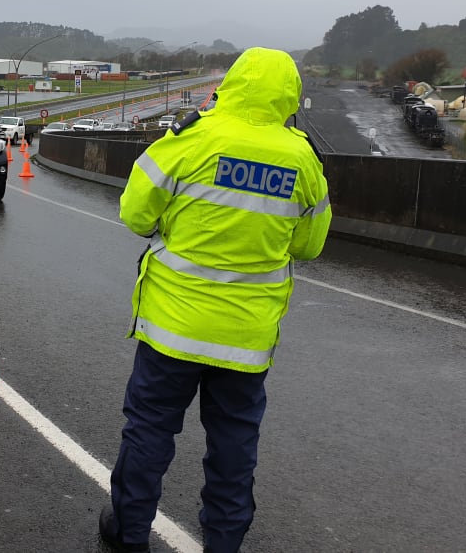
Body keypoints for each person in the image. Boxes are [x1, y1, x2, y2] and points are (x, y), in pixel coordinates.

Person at [100, 47, 332, 553]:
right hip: (245, 341)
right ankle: (224, 542)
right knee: (234, 444)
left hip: (171, 330)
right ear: (289, 95)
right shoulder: (302, 160)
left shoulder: (188, 140)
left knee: (149, 432)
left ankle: (128, 533)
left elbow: (136, 215)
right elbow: (309, 246)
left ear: (232, 82)